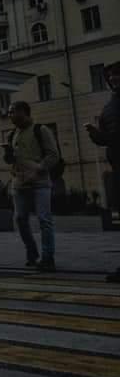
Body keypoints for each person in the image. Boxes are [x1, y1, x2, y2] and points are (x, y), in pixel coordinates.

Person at [4, 101, 60, 272]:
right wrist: (8, 155)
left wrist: (39, 169)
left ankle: (48, 258)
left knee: (44, 220)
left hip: (39, 183)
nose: (10, 115)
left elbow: (53, 155)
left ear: (24, 112)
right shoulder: (12, 134)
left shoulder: (40, 130)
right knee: (20, 219)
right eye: (9, 112)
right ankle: (32, 252)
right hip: (19, 183)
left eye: (13, 112)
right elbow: (10, 160)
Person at [86, 60, 120, 282]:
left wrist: (103, 137)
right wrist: (96, 135)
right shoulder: (110, 105)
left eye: (118, 75)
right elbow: (110, 138)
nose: (113, 80)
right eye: (111, 77)